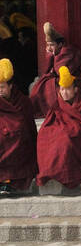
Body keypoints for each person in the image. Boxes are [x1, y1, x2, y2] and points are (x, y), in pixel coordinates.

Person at [36, 65, 81, 190]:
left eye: (68, 89)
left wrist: (71, 131)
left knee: (66, 142)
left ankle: (69, 173)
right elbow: (49, 124)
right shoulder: (57, 104)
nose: (65, 92)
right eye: (62, 89)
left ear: (75, 89)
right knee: (47, 139)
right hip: (64, 135)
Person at [29, 22, 81, 117]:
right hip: (64, 77)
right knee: (41, 84)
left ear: (60, 44)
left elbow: (58, 70)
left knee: (46, 86)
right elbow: (48, 71)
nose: (49, 48)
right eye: (47, 45)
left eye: (52, 45)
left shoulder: (66, 51)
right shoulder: (58, 52)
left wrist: (49, 56)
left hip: (78, 81)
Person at [0, 56, 37, 195]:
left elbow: (28, 127)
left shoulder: (23, 102)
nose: (0, 90)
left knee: (14, 140)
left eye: (2, 87)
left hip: (20, 140)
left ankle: (8, 181)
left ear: (11, 86)